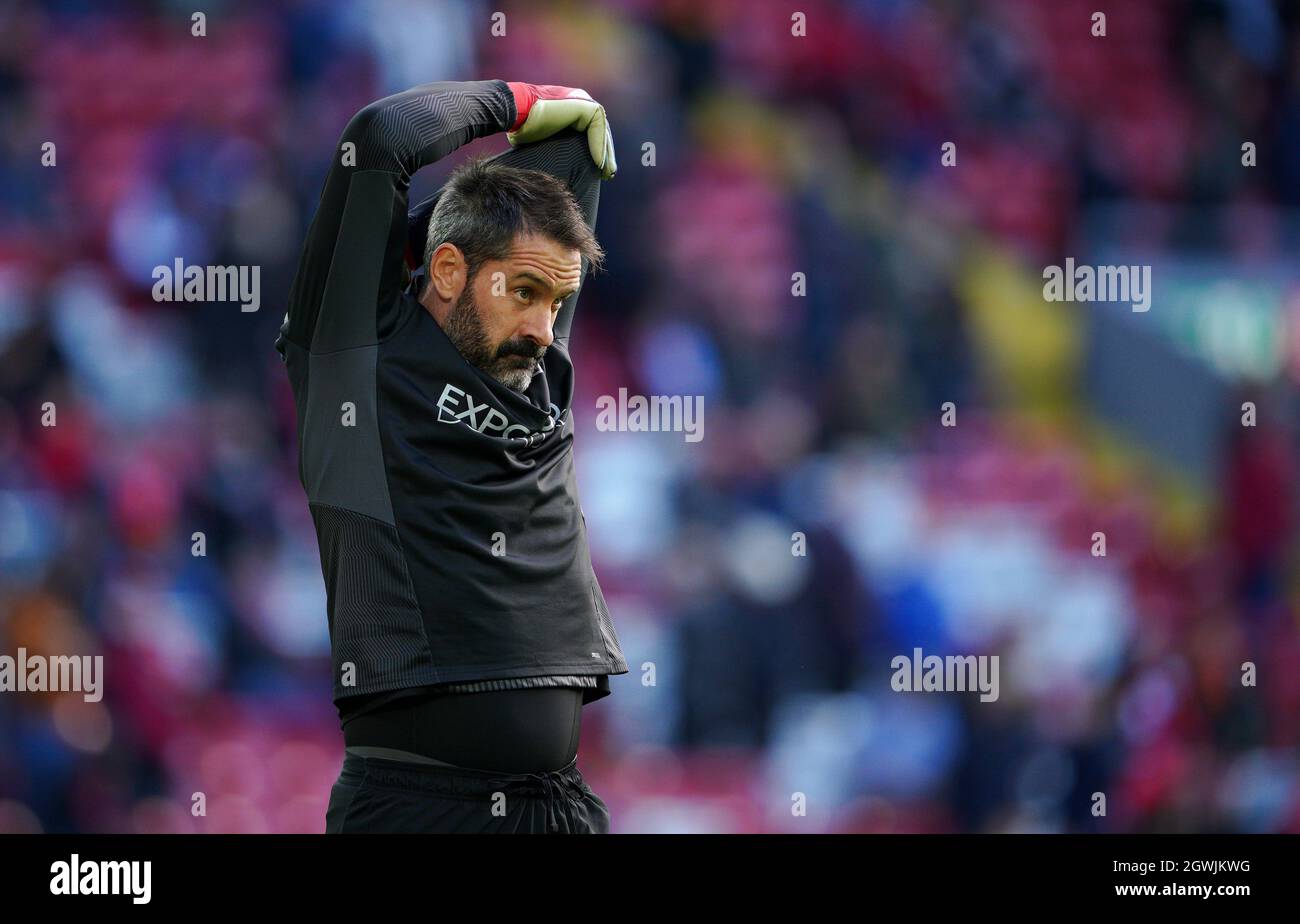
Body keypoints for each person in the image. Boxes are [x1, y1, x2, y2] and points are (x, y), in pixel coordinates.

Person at [275, 79, 628, 833]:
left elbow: (573, 153)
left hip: (559, 807)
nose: (544, 328)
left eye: (556, 303)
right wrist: (524, 99)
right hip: (419, 811)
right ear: (444, 271)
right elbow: (381, 138)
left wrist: (578, 113)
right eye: (524, 292)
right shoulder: (354, 354)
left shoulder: (536, 371)